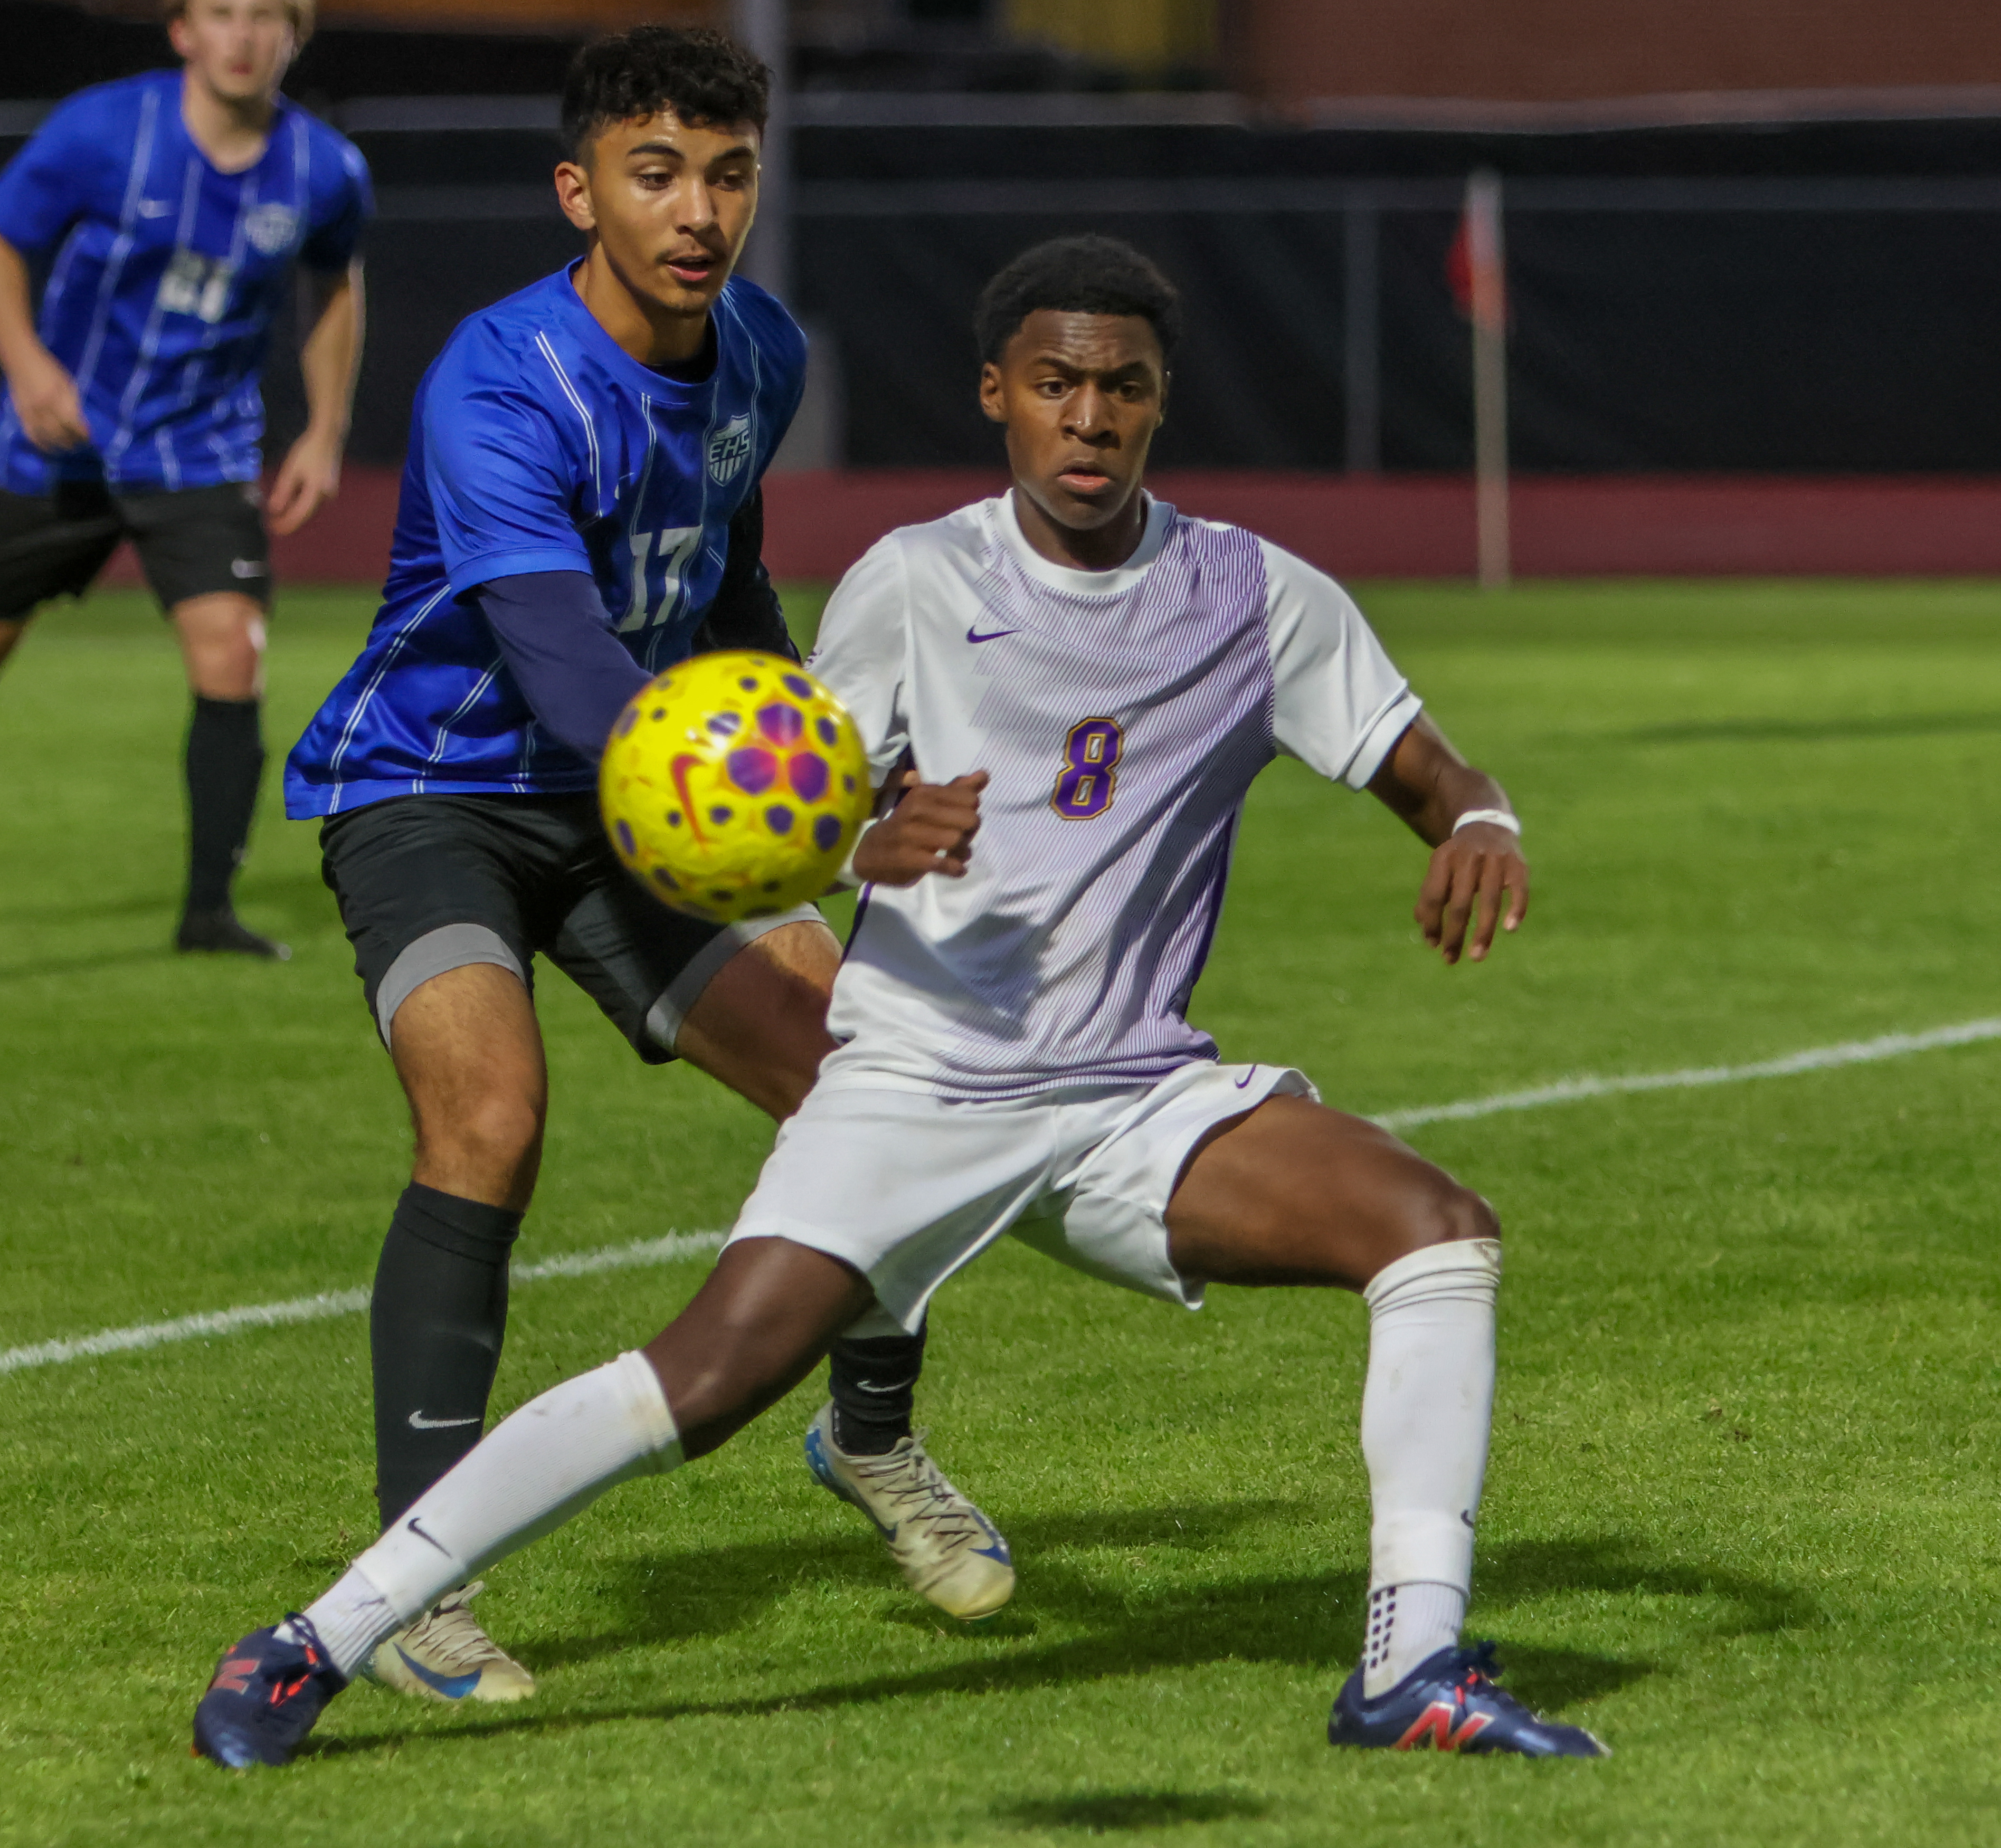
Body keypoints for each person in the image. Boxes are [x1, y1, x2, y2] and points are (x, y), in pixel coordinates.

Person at [191, 234, 1609, 1768]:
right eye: (1056, 384)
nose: (1088, 417)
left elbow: (1423, 768)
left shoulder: (1255, 595)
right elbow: (772, 818)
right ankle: (313, 1639)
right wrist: (864, 836)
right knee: (707, 1380)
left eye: (1120, 387)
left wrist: (1481, 820)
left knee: (1434, 1232)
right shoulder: (916, 580)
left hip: (1134, 1095)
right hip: (917, 1081)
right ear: (998, 395)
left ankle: (1409, 1665)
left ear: (1158, 405)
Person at [275, 26, 1008, 1707]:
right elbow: (571, 666)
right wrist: (813, 826)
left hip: (650, 803)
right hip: (439, 791)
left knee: (869, 1072)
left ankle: (872, 1448)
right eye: (655, 172)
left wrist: (828, 741)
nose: (696, 211)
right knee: (490, 1119)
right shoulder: (495, 377)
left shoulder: (758, 349)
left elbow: (724, 593)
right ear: (578, 188)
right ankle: (416, 1579)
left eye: (728, 173)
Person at [0, 0, 368, 956]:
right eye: (223, 15)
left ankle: (207, 912)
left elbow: (334, 287)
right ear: (183, 31)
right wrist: (27, 367)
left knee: (231, 651)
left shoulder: (325, 172)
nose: (243, 38)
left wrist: (325, 431)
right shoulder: (105, 133)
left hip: (200, 452)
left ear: (295, 35)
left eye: (265, 18)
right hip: (61, 446)